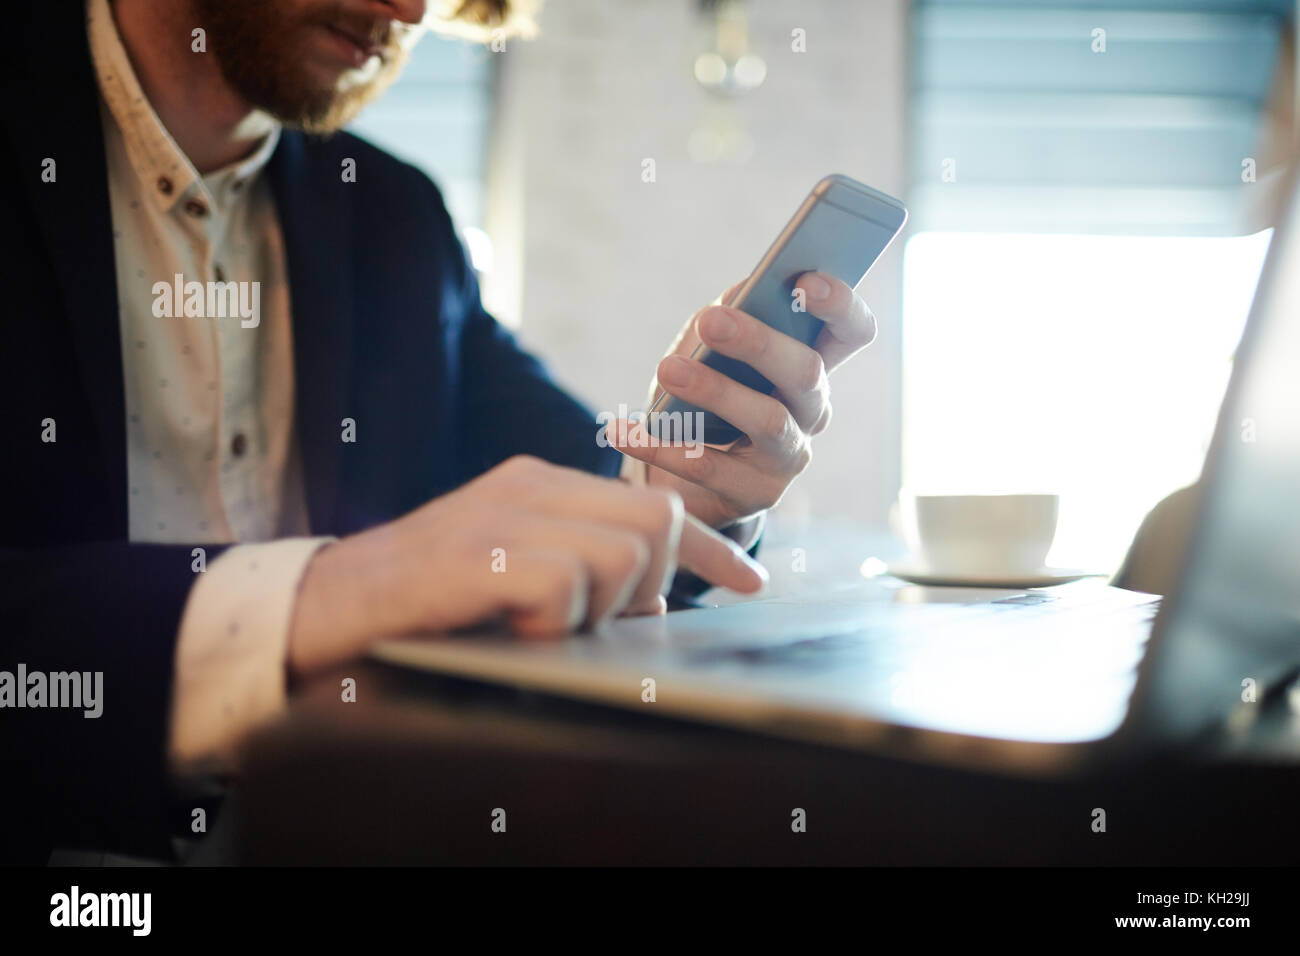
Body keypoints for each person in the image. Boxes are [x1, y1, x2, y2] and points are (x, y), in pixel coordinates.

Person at [0, 0, 880, 861]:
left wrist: (677, 491)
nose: (413, 9)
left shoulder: (394, 215)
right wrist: (322, 595)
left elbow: (572, 478)